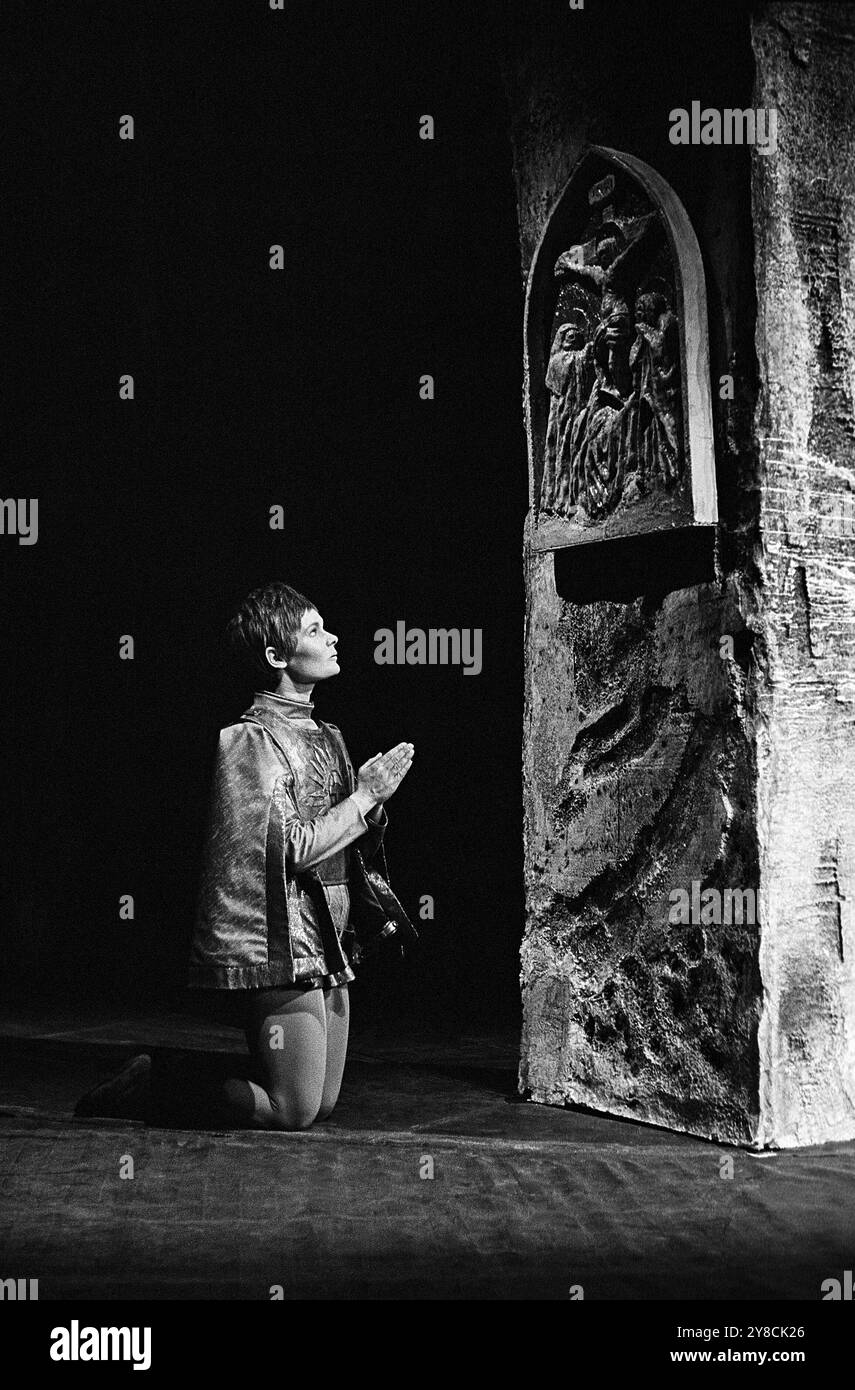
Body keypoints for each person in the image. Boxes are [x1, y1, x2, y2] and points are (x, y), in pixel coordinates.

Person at [75, 581, 416, 1130]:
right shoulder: (249, 741)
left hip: (329, 937)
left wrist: (372, 808)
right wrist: (366, 796)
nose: (332, 639)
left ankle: (176, 1073)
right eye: (314, 630)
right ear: (276, 656)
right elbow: (295, 849)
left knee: (320, 1104)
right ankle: (152, 1085)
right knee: (293, 1109)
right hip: (285, 941)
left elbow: (347, 843)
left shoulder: (329, 736)